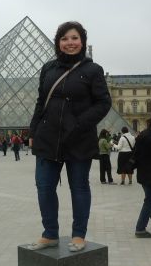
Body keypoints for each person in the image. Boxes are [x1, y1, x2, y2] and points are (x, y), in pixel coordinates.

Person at [28, 21, 111, 252]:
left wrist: (79, 124)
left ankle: (78, 235)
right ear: (58, 42)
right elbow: (41, 102)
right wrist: (33, 130)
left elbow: (103, 103)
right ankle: (50, 234)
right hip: (48, 137)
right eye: (64, 38)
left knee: (79, 187)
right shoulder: (48, 69)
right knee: (44, 187)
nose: (69, 43)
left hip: (79, 138)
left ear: (82, 41)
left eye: (74, 38)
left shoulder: (93, 70)